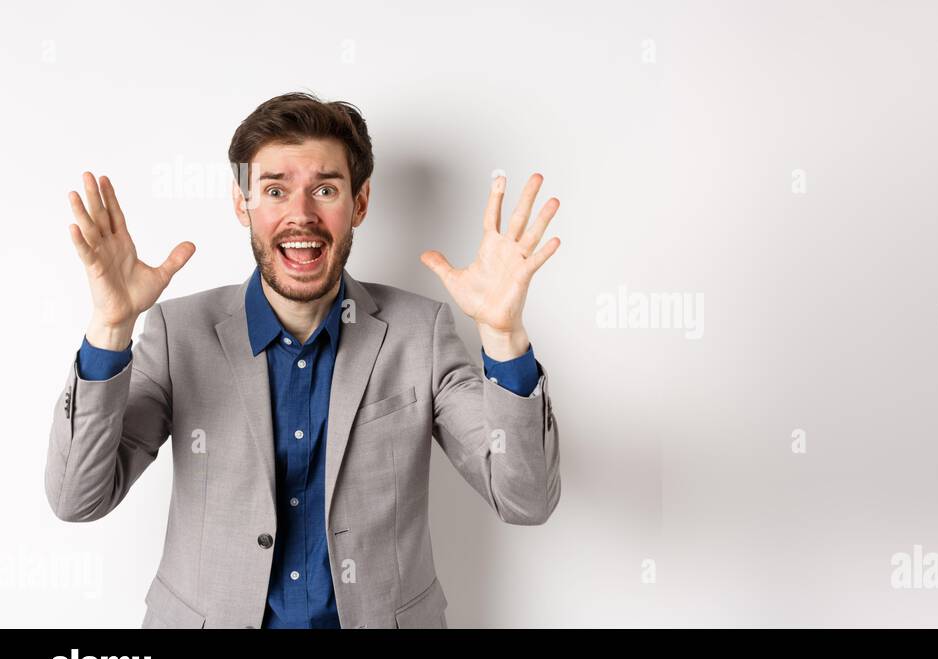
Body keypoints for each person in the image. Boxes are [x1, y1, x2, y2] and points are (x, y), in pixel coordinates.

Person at [44, 92, 562, 629]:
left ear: (359, 203)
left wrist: (503, 335)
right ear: (242, 202)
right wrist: (110, 328)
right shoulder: (181, 333)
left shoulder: (420, 333)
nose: (301, 215)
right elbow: (77, 498)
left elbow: (525, 500)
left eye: (325, 189)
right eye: (275, 190)